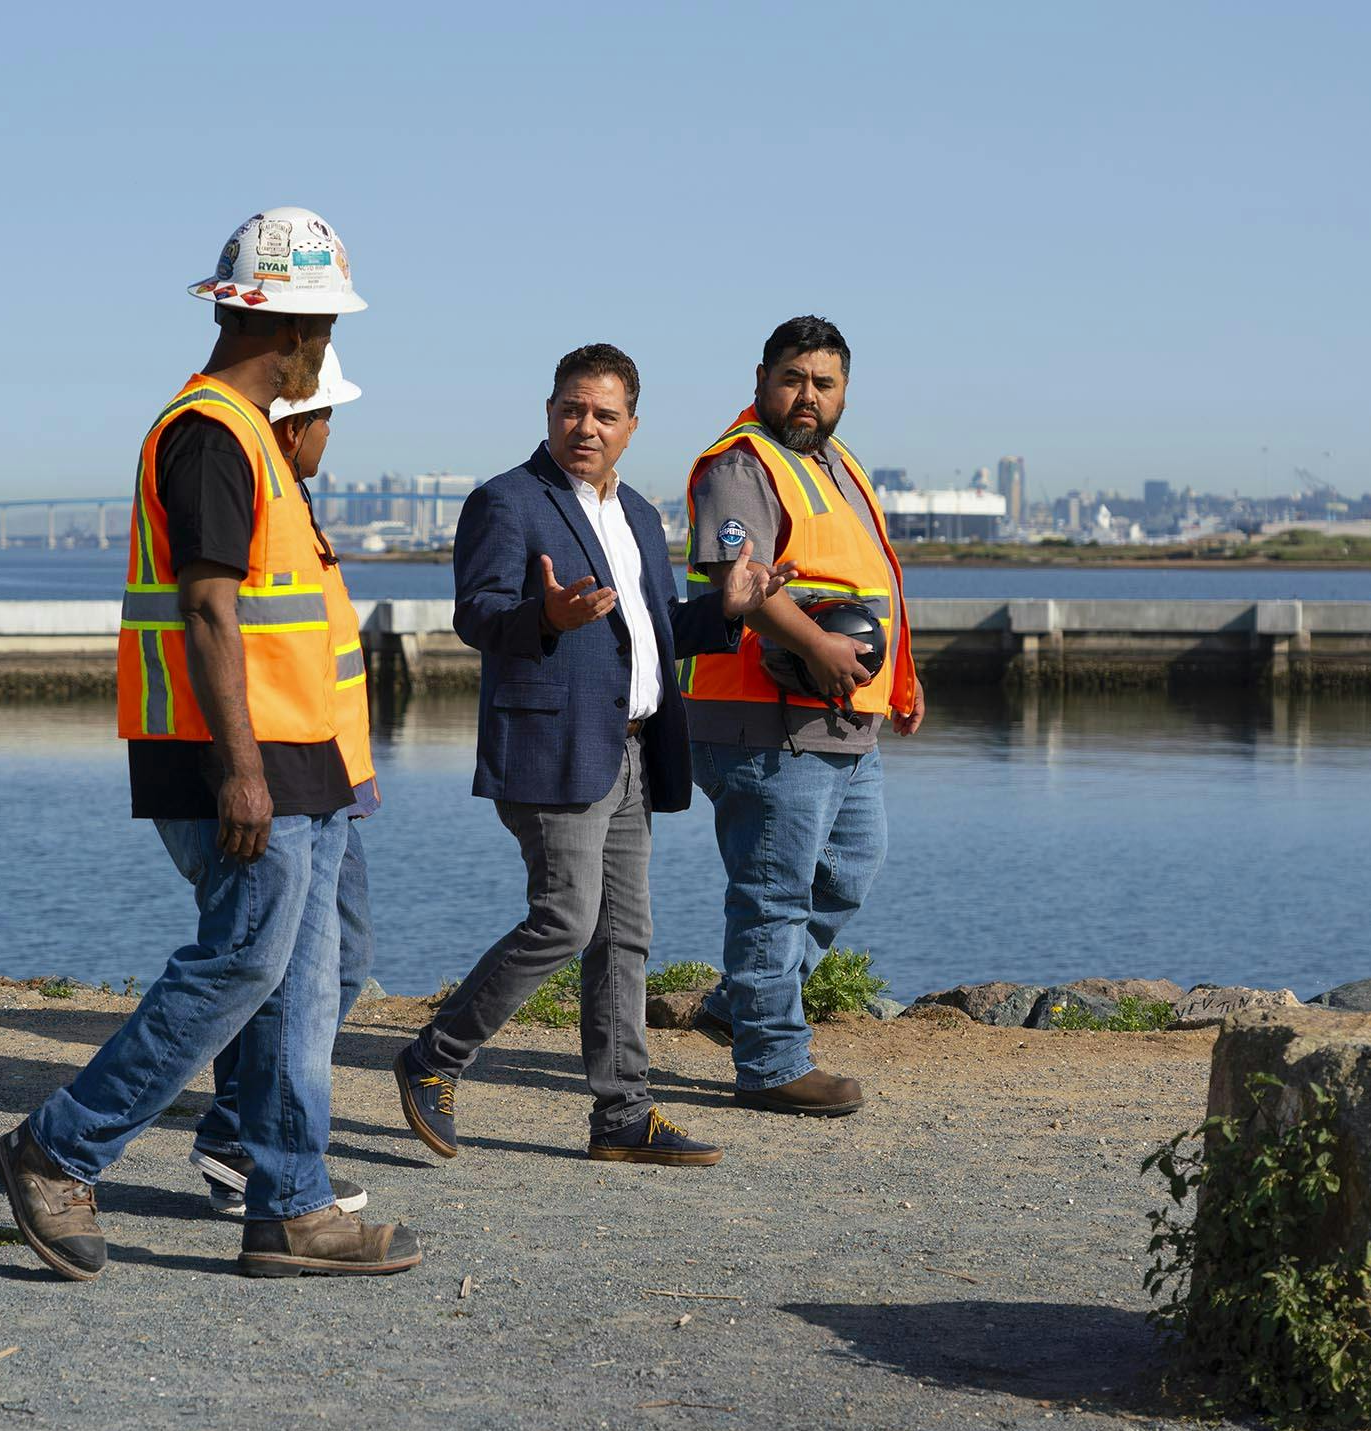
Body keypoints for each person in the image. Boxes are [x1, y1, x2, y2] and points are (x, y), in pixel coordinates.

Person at [0, 208, 421, 1281]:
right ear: (297, 325)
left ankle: (289, 1202)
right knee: (242, 962)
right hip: (242, 760)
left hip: (301, 762)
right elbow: (211, 611)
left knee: (302, 986)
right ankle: (58, 1145)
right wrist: (240, 767)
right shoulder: (211, 436)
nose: (327, 349)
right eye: (324, 325)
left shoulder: (253, 444)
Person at [393, 343, 793, 1166]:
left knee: (625, 935)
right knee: (566, 919)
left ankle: (623, 1114)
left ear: (631, 427)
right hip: (551, 742)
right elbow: (478, 616)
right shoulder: (507, 502)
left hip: (634, 749)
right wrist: (547, 617)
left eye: (604, 414)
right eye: (572, 409)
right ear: (548, 413)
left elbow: (653, 632)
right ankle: (433, 1056)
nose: (586, 426)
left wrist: (727, 609)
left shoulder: (641, 515)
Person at [680, 315, 926, 1117]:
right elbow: (740, 581)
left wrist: (899, 684)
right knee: (773, 892)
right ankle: (772, 1061)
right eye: (793, 378)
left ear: (845, 390)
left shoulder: (833, 462)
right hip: (765, 717)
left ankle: (738, 1004)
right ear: (762, 378)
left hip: (842, 714)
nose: (807, 395)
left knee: (852, 865)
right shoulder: (741, 464)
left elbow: (869, 581)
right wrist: (818, 645)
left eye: (823, 382)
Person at [186, 345, 382, 1217]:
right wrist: (244, 774)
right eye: (330, 419)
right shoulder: (229, 456)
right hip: (275, 772)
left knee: (325, 970)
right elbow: (212, 616)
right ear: (301, 423)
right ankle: (249, 1154)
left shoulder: (290, 501)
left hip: (325, 773)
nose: (332, 435)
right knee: (267, 973)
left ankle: (256, 1152)